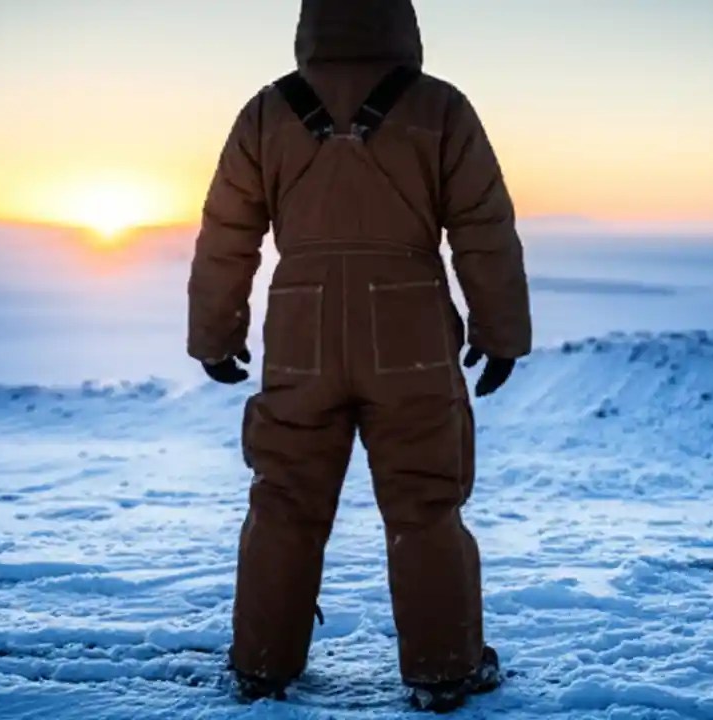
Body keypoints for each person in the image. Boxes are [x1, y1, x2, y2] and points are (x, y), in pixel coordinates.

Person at [186, 0, 531, 711]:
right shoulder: (440, 108)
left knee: (284, 500)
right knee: (425, 503)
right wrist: (500, 333)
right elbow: (483, 229)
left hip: (301, 331)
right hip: (408, 332)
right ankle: (445, 670)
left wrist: (214, 335)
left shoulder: (268, 111)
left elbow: (227, 234)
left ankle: (261, 664)